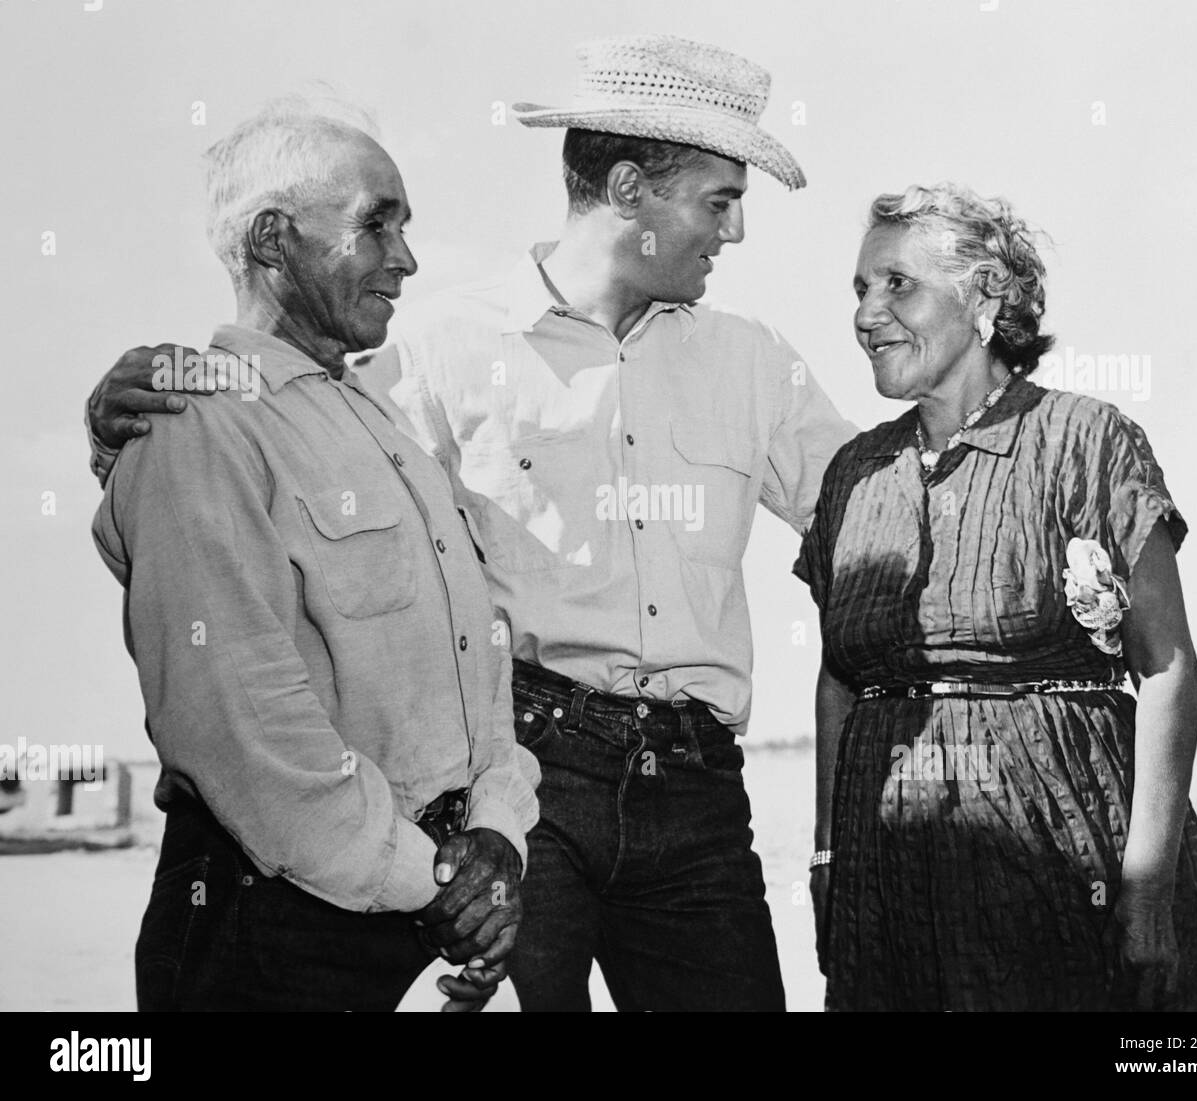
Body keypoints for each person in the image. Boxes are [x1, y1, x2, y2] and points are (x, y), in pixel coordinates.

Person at [84, 36, 856, 1012]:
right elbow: (250, 521)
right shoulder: (430, 355)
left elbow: (871, 511)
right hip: (526, 778)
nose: (735, 232)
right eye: (719, 199)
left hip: (683, 788)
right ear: (628, 188)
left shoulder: (754, 362)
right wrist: (123, 436)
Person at [90, 100, 539, 1012]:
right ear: (272, 239)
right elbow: (244, 727)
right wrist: (442, 881)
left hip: (413, 902)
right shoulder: (196, 424)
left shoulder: (386, 426)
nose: (407, 257)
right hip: (274, 928)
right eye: (377, 223)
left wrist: (494, 839)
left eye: (405, 227)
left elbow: (479, 660)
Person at [796, 182, 1197, 1011]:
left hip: (1063, 863)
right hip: (888, 890)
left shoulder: (1085, 441)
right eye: (859, 289)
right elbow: (837, 681)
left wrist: (1145, 882)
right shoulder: (854, 475)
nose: (867, 313)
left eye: (897, 283)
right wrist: (828, 860)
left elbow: (1167, 665)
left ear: (986, 295)